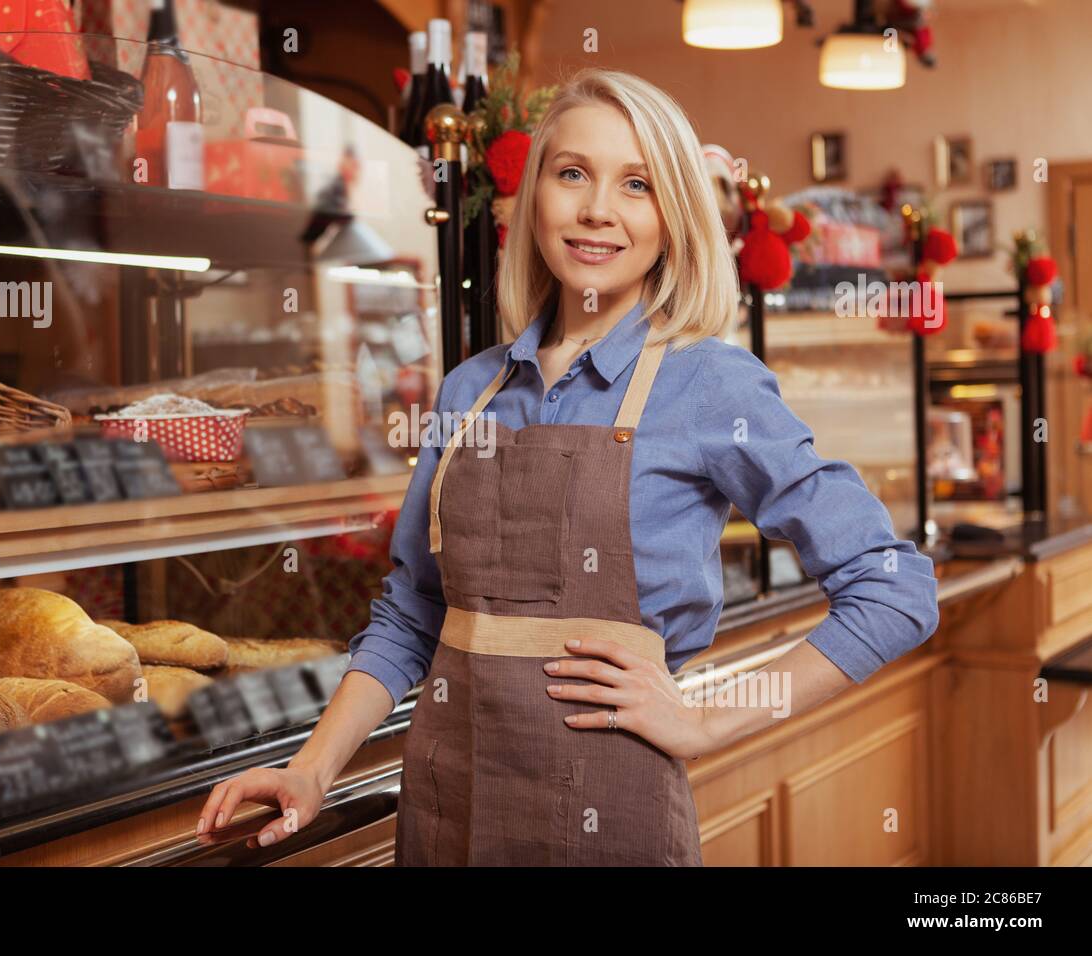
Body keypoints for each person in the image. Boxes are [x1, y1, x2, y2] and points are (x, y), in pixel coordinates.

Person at [196, 68, 940, 866]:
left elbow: (895, 586)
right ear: (536, 200)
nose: (596, 210)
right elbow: (414, 611)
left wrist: (707, 719)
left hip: (611, 817)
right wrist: (311, 768)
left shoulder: (709, 383)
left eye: (637, 184)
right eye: (573, 173)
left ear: (673, 216)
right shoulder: (469, 390)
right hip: (448, 814)